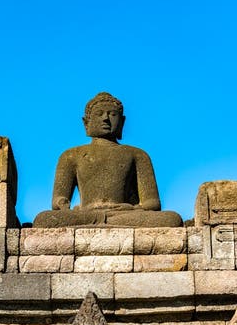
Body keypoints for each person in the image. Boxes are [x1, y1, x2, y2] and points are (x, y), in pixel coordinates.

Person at [34, 92, 182, 228]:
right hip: (87, 213)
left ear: (122, 122)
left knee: (172, 219)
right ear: (86, 123)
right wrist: (61, 202)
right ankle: (103, 220)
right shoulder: (71, 155)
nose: (106, 118)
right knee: (44, 219)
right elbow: (58, 199)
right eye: (99, 114)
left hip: (124, 214)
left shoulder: (137, 154)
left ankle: (105, 221)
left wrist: (133, 208)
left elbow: (153, 202)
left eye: (112, 114)